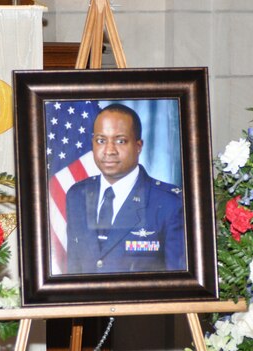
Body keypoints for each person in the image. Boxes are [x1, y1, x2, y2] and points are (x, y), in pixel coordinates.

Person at [65, 103, 186, 274]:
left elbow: (180, 281)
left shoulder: (170, 204)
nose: (109, 151)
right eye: (101, 141)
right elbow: (73, 272)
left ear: (138, 146)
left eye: (120, 141)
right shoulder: (76, 195)